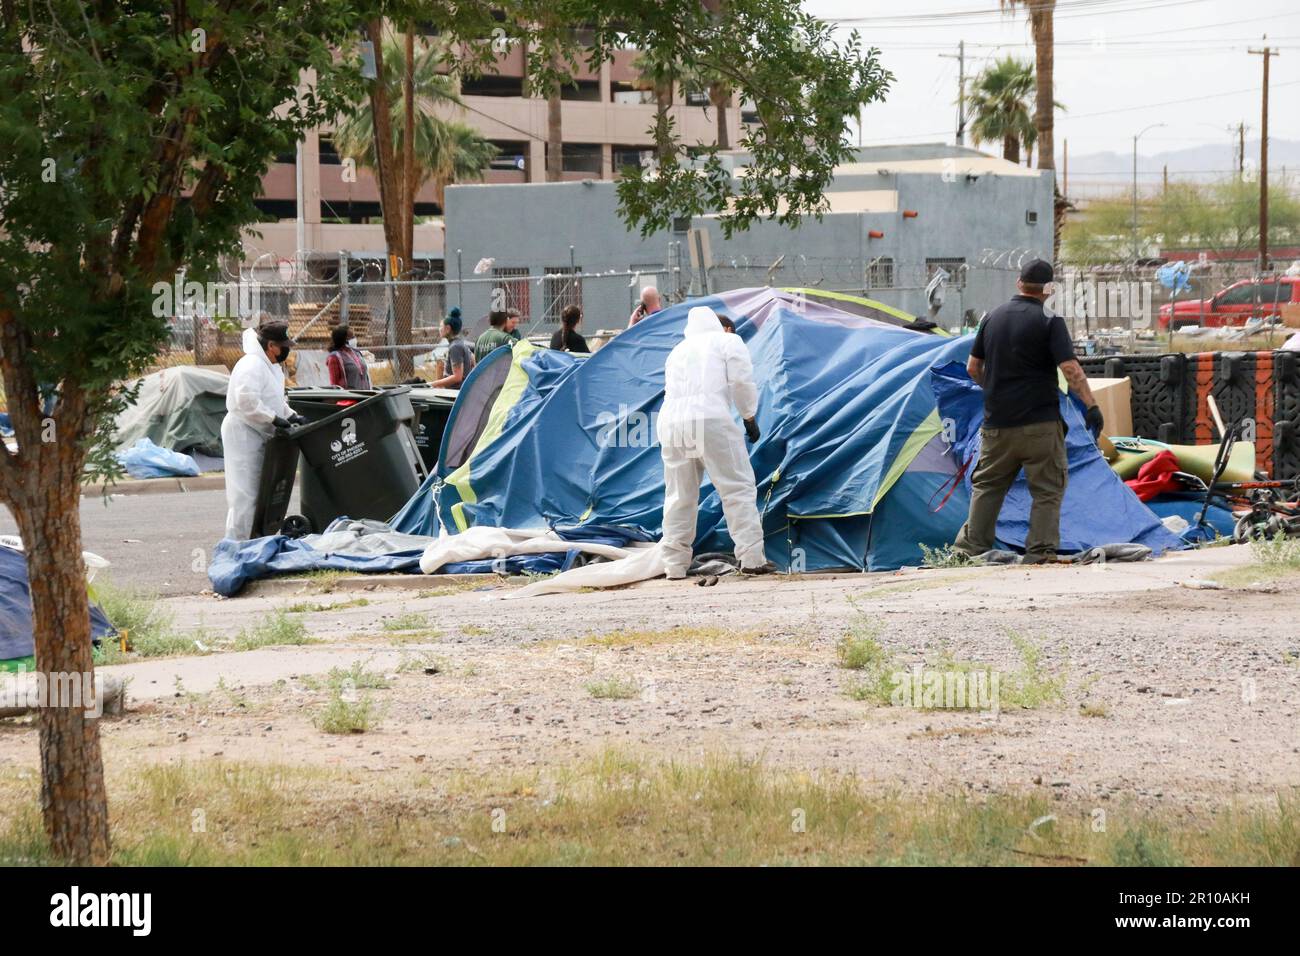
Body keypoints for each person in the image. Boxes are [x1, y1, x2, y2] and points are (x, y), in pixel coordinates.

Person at [953, 259, 1103, 564]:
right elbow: (1070, 368)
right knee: (1047, 490)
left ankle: (970, 553)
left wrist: (994, 391)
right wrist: (1091, 405)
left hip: (997, 424)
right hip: (1040, 424)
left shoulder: (992, 318)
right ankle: (1039, 555)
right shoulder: (1049, 320)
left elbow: (973, 367)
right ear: (1049, 290)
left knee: (988, 488)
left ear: (1018, 283)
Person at [657, 305, 773, 578]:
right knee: (737, 488)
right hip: (710, 419)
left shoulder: (677, 351)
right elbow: (741, 381)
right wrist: (748, 417)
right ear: (720, 326)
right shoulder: (727, 341)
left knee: (679, 496)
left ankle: (674, 566)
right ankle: (752, 558)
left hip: (671, 423)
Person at [221, 319, 304, 540]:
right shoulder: (252, 364)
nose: (286, 349)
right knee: (245, 494)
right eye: (283, 345)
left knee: (259, 492)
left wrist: (290, 415)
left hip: (256, 431)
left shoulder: (270, 366)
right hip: (243, 431)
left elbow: (272, 399)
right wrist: (274, 419)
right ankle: (238, 546)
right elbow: (246, 401)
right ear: (271, 346)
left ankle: (254, 541)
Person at [430, 308, 476, 389]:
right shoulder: (459, 343)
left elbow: (457, 377)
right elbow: (473, 359)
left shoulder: (455, 347)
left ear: (447, 328)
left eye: (441, 326)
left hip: (454, 393)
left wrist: (434, 384)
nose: (439, 329)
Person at [325, 324, 371, 389]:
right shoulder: (335, 357)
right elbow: (335, 384)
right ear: (343, 339)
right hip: (349, 396)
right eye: (351, 337)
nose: (354, 339)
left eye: (354, 336)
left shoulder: (357, 353)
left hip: (364, 395)